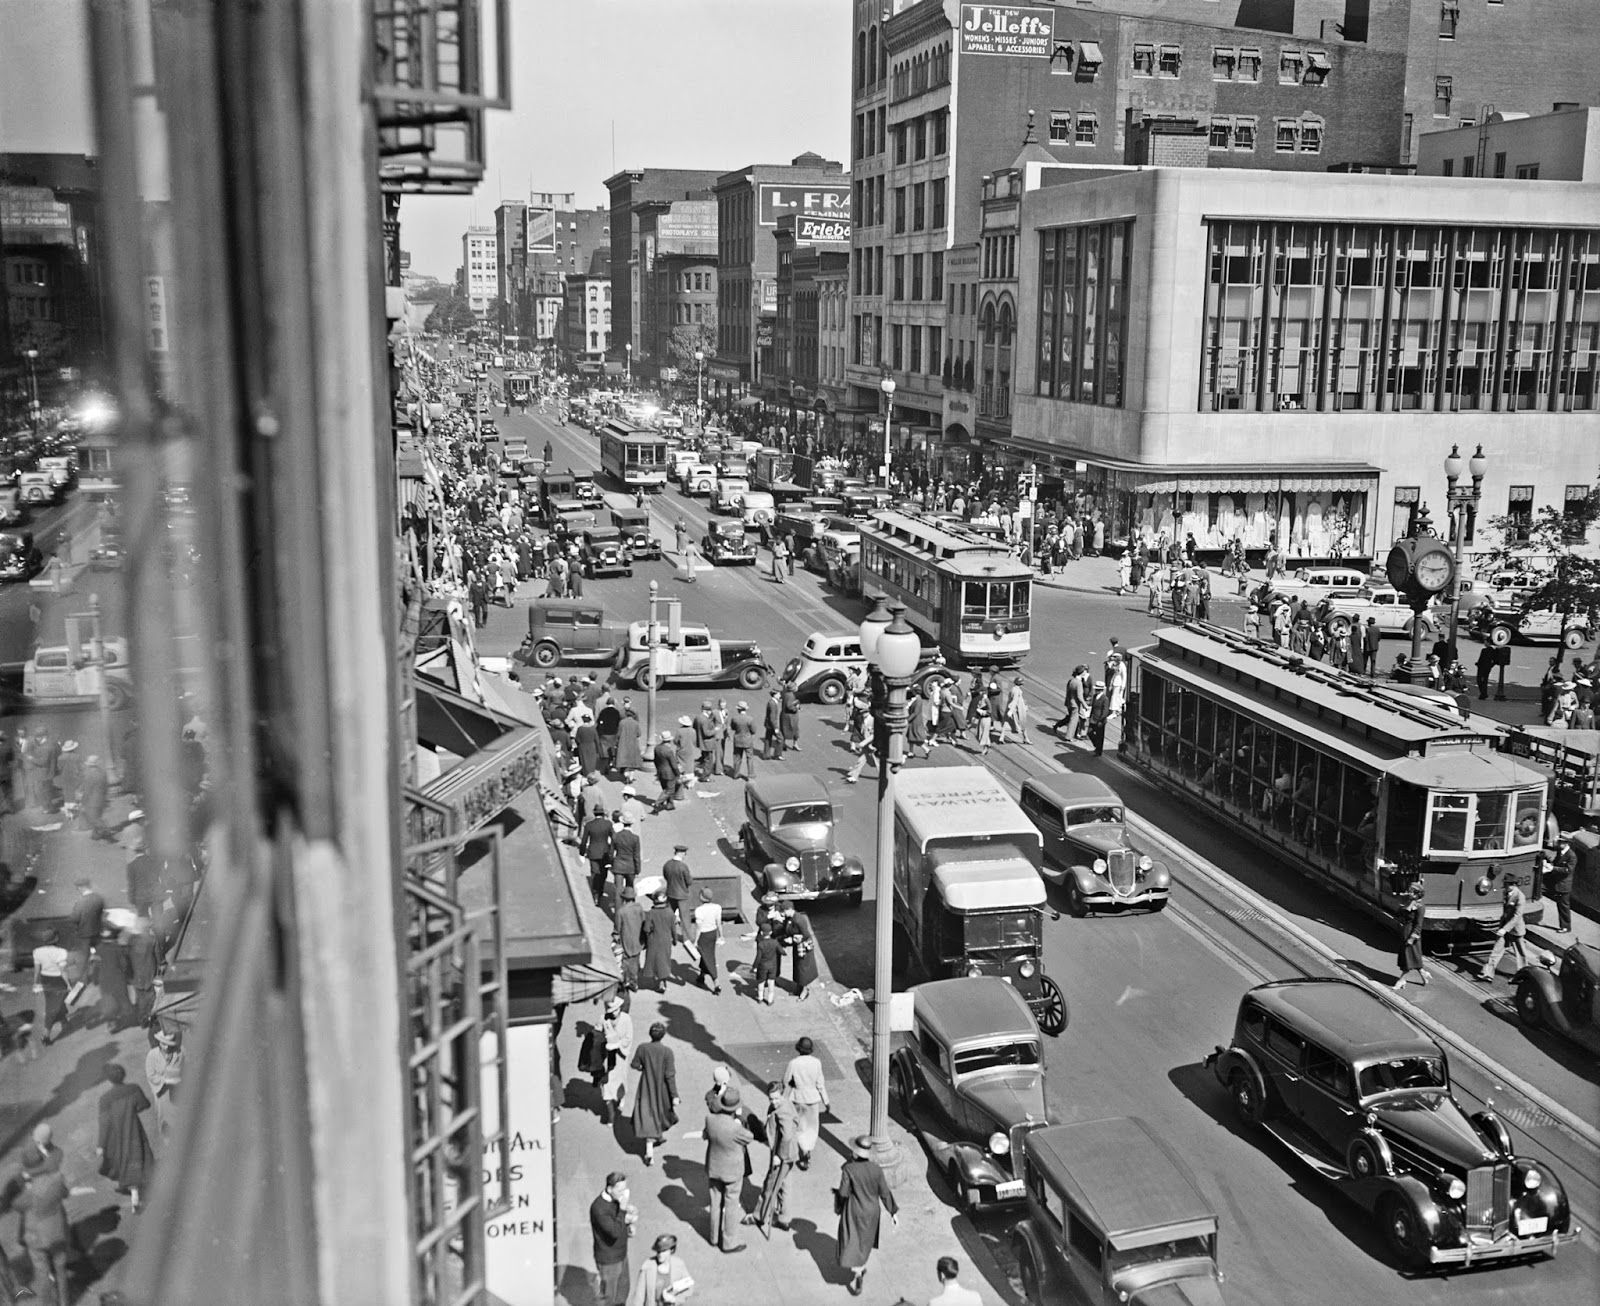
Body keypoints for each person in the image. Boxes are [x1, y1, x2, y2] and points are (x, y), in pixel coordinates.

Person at [835, 1134, 898, 1297]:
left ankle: (857, 1271)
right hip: (872, 1211)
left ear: (855, 1153)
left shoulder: (849, 1169)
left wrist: (838, 1206)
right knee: (865, 1242)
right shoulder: (876, 1170)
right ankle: (860, 1270)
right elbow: (884, 1192)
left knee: (851, 1239)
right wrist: (893, 1212)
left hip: (854, 1210)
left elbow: (843, 1192)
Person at [9, 1153, 74, 1306]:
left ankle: (48, 1303)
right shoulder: (57, 1180)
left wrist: (26, 1185)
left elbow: (16, 1205)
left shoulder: (29, 1192)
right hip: (57, 1234)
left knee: (42, 1273)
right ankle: (65, 1302)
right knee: (61, 1270)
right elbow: (65, 1193)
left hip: (36, 1239)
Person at [96, 1062, 155, 1212]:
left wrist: (101, 1145)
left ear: (109, 1079)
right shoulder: (133, 1089)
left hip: (117, 1136)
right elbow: (144, 1105)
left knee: (125, 1161)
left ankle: (135, 1196)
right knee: (140, 1155)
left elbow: (104, 1124)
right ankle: (145, 1189)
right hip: (134, 1129)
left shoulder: (105, 1099)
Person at [702, 1087, 753, 1252]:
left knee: (715, 1201)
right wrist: (738, 1119)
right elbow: (749, 1137)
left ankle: (713, 1236)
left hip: (714, 1165)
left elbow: (705, 1134)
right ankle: (729, 1242)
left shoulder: (710, 1119)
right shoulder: (735, 1127)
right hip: (732, 1170)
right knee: (731, 1204)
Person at [752, 1079, 799, 1237]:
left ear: (782, 1096)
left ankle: (760, 1216)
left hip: (782, 1154)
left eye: (776, 1098)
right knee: (785, 1185)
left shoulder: (782, 1111)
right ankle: (785, 1218)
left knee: (770, 1185)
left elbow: (786, 1136)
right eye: (771, 1099)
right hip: (791, 1153)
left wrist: (779, 1155)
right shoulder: (786, 1104)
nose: (773, 1102)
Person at [629, 1022, 679, 1167]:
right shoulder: (667, 1052)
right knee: (661, 1112)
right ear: (663, 1035)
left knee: (646, 1112)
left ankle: (655, 1140)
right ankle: (649, 1148)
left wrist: (643, 1067)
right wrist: (674, 1095)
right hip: (661, 1088)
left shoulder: (642, 1048)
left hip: (645, 1085)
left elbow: (634, 1064)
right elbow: (670, 1075)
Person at [591, 1172, 638, 1306]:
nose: (624, 1194)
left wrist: (629, 1226)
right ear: (609, 1189)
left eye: (625, 1189)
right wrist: (623, 1209)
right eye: (620, 1190)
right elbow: (614, 1232)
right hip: (609, 1260)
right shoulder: (599, 1208)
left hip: (621, 1255)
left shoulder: (615, 1200)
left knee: (623, 1291)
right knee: (608, 1297)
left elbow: (619, 1222)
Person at [784, 1036, 831, 1170]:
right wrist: (826, 1101)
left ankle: (801, 1148)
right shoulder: (816, 1062)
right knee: (811, 1127)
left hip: (797, 1098)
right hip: (812, 1099)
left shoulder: (793, 1063)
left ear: (798, 1048)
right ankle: (807, 1150)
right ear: (811, 1049)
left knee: (800, 1125)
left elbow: (786, 1080)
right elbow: (820, 1083)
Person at [1477, 877, 1530, 982]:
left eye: (1506, 884)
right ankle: (1488, 973)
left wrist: (1505, 929)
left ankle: (1522, 976)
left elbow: (1517, 916)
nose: (1505, 887)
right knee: (1497, 949)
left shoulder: (1520, 897)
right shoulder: (1506, 893)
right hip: (1504, 927)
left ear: (1513, 885)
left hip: (1515, 929)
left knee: (1520, 954)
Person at [29, 929, 71, 1054]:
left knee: (54, 1002)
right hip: (58, 980)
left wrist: (35, 984)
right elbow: (63, 971)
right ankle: (46, 1035)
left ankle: (64, 1021)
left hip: (45, 979)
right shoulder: (61, 952)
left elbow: (37, 970)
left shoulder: (37, 952)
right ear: (56, 939)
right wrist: (69, 984)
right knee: (55, 1005)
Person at [627, 1232, 692, 1306]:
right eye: (658, 1251)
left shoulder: (679, 1265)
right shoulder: (648, 1266)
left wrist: (675, 1300)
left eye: (664, 1251)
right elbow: (639, 1295)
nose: (660, 1254)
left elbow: (689, 1288)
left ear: (672, 1250)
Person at [601, 995, 635, 1123]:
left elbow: (629, 1037)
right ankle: (611, 1114)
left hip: (620, 1056)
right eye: (611, 1010)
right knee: (606, 1084)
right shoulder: (604, 1019)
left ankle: (621, 1096)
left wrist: (618, 1045)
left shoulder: (626, 1019)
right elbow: (598, 1032)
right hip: (607, 1057)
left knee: (621, 1078)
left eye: (615, 1010)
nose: (613, 1013)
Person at [1392, 881, 1430, 989]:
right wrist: (1403, 906)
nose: (1410, 894)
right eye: (1410, 891)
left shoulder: (1421, 907)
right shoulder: (1409, 902)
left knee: (1408, 958)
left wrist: (1412, 938)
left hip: (1411, 934)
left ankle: (1401, 980)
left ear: (1418, 894)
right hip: (1405, 931)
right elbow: (1399, 913)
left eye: (1412, 892)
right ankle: (1423, 973)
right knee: (1412, 957)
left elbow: (1418, 924)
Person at [641, 890, 680, 993]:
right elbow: (673, 929)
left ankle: (659, 980)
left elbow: (646, 929)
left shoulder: (651, 913)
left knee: (655, 960)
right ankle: (663, 981)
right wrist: (675, 940)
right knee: (664, 960)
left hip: (654, 940)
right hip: (666, 940)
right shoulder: (670, 912)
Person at [581, 806, 616, 907]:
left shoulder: (589, 825)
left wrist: (582, 852)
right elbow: (614, 838)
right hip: (605, 852)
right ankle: (600, 890)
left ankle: (596, 894)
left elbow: (584, 841)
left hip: (593, 852)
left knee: (594, 872)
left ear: (594, 813)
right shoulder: (608, 824)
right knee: (603, 873)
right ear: (603, 813)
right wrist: (611, 851)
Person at [783, 904, 818, 1001]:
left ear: (789, 909)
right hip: (797, 946)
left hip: (803, 947)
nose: (783, 913)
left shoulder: (799, 920)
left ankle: (804, 990)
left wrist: (793, 939)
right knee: (797, 967)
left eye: (784, 911)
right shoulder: (790, 918)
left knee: (803, 969)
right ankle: (799, 987)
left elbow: (805, 935)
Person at [691, 888, 723, 994]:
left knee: (708, 958)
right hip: (713, 934)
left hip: (703, 936)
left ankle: (716, 982)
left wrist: (695, 941)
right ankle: (701, 976)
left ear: (701, 897)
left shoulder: (699, 910)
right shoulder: (717, 907)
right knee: (707, 954)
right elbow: (719, 923)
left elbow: (698, 928)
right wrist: (721, 935)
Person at [1543, 832, 1576, 933]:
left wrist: (1552, 868)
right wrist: (1549, 865)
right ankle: (1564, 926)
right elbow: (1556, 862)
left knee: (1563, 906)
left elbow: (1568, 870)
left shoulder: (1571, 856)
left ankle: (1566, 927)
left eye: (1560, 842)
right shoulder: (1560, 852)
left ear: (1565, 844)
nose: (1557, 844)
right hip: (1557, 882)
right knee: (1560, 905)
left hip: (1563, 885)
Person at [663, 844, 696, 937]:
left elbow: (666, 877)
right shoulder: (683, 866)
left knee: (668, 915)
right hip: (682, 895)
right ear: (682, 853)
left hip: (670, 893)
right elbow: (689, 881)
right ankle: (687, 938)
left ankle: (666, 934)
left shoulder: (667, 864)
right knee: (685, 918)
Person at [751, 920, 780, 1006]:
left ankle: (760, 998)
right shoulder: (775, 942)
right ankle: (770, 1000)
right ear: (771, 932)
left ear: (762, 933)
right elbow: (782, 951)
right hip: (772, 966)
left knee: (761, 982)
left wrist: (754, 967)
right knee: (771, 982)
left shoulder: (760, 944)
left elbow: (758, 957)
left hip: (762, 966)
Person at [652, 731, 681, 813]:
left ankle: (670, 804)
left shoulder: (657, 748)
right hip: (669, 774)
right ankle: (657, 803)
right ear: (669, 741)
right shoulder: (668, 751)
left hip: (660, 772)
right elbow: (674, 765)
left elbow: (655, 760)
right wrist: (678, 773)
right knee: (669, 790)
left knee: (665, 788)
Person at [729, 701, 757, 779]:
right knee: (750, 758)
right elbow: (754, 731)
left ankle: (736, 774)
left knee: (737, 758)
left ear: (738, 710)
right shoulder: (750, 719)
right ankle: (751, 775)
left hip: (738, 740)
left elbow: (733, 728)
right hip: (747, 740)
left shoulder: (735, 718)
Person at [1086, 681, 1111, 757]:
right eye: (1096, 689)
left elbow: (1105, 711)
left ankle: (1098, 751)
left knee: (1100, 736)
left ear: (1101, 690)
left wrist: (1101, 720)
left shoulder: (1105, 699)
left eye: (1097, 689)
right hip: (1093, 718)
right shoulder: (1094, 696)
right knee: (1089, 732)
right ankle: (1097, 745)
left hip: (1100, 721)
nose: (1096, 691)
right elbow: (1092, 705)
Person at [779, 680, 801, 754]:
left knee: (785, 730)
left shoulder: (786, 694)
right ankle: (794, 744)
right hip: (790, 716)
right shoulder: (791, 696)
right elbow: (789, 706)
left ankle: (784, 744)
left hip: (785, 715)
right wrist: (796, 708)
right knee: (794, 729)